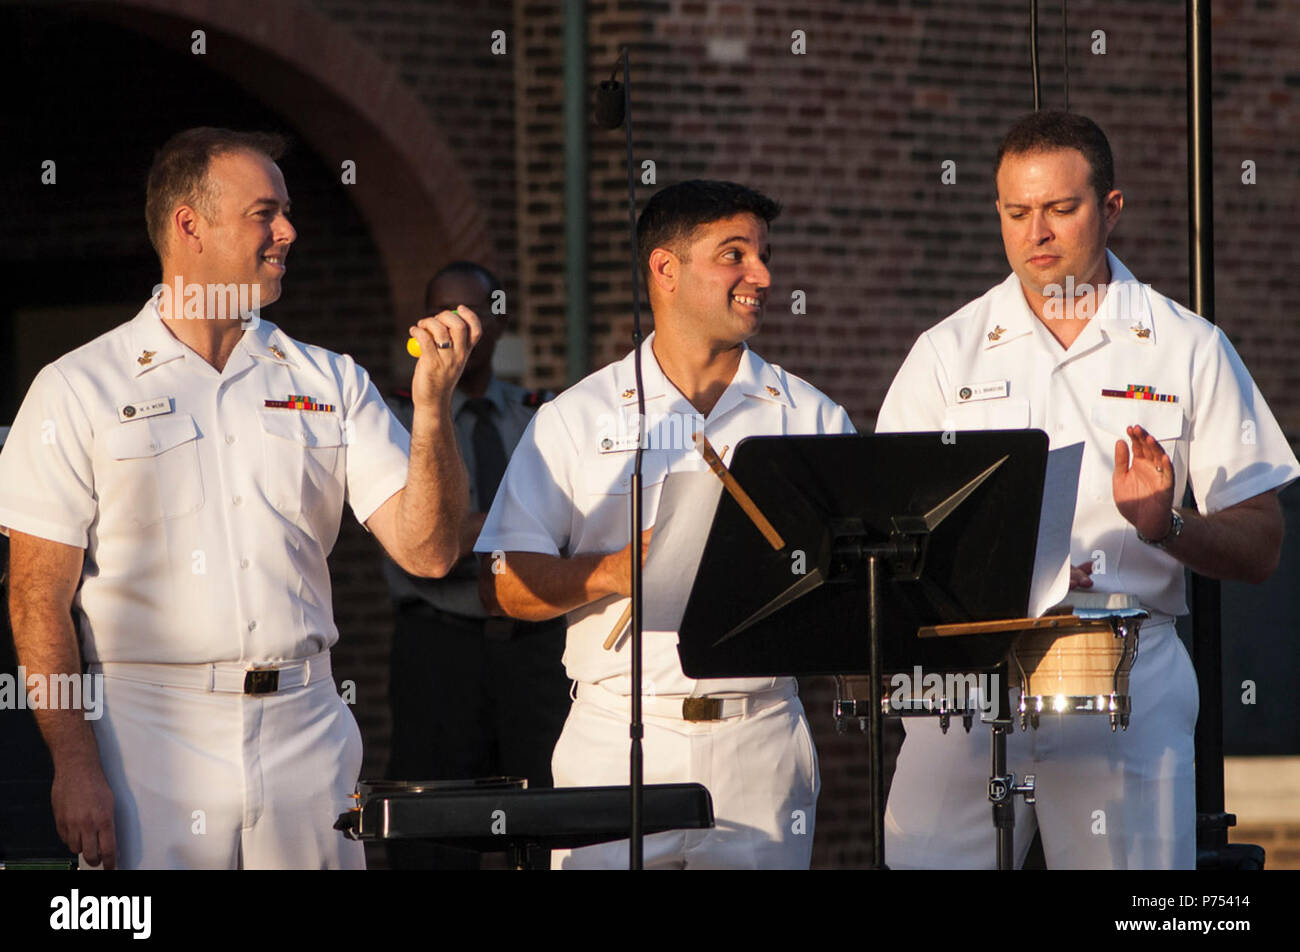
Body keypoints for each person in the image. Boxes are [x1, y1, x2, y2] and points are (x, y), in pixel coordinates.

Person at [0, 127, 481, 869]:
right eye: (266, 212)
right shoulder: (77, 387)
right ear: (190, 224)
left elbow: (431, 549)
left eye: (286, 212)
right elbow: (38, 598)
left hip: (307, 729)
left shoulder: (330, 379)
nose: (289, 231)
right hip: (146, 735)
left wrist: (432, 410)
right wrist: (74, 762)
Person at [877, 111, 1299, 869]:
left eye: (1060, 209)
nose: (1036, 232)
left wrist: (1166, 525)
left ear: (1110, 209)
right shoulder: (944, 352)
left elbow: (1262, 541)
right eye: (1016, 212)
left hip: (1128, 677)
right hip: (970, 684)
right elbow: (884, 528)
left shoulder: (1188, 345)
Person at [477, 180, 854, 869]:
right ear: (665, 269)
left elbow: (856, 596)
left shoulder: (814, 418)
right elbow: (501, 583)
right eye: (734, 255)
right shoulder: (575, 417)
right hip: (613, 737)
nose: (762, 276)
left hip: (761, 742)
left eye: (765, 255)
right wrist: (616, 569)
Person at [382, 261, 568, 869]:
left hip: (531, 650)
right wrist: (514, 539)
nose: (455, 328)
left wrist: (483, 536)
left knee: (545, 818)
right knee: (435, 824)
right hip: (440, 648)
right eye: (441, 312)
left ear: (498, 317)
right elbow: (426, 543)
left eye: (470, 312)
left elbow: (565, 527)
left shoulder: (542, 417)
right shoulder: (402, 421)